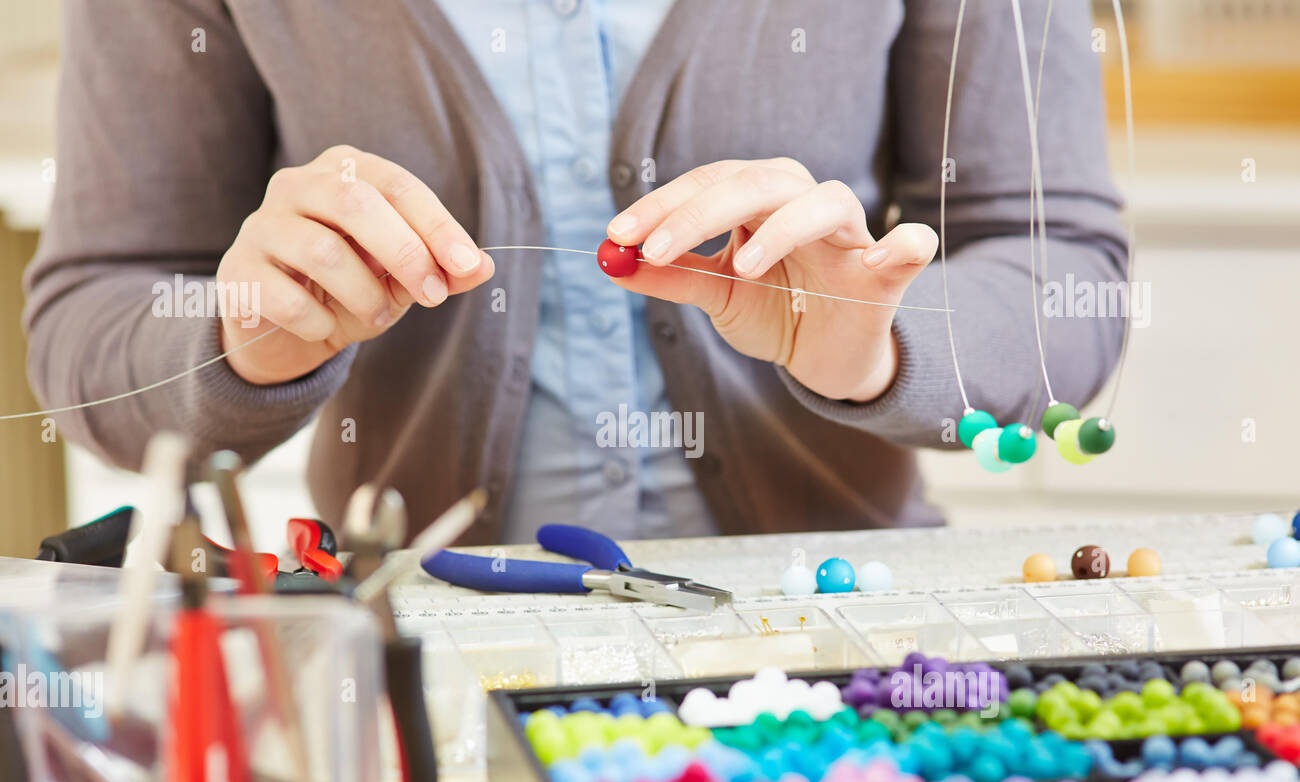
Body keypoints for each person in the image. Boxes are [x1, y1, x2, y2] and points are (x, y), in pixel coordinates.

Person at [23, 0, 1126, 545]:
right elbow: (92, 317)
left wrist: (877, 345)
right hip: (425, 656)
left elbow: (1062, 267)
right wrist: (237, 342)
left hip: (849, 637)